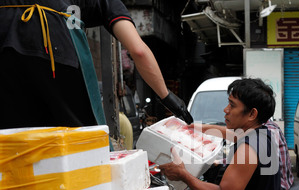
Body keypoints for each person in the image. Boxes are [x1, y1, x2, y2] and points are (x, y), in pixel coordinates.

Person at [0, 0, 192, 130]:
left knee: (13, 137)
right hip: (53, 46)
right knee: (80, 139)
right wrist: (167, 96)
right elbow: (138, 50)